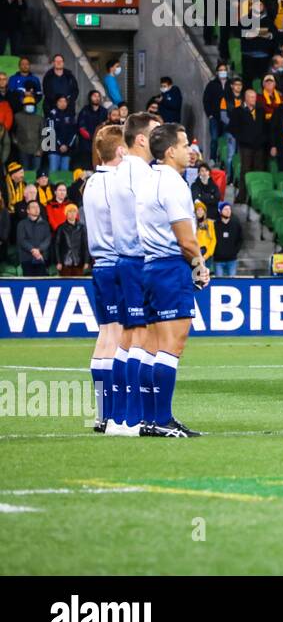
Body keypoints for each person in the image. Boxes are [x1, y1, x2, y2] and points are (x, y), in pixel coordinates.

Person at [138, 122, 208, 437]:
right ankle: (161, 419)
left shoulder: (149, 179)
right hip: (171, 268)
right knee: (171, 345)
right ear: (170, 151)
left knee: (152, 346)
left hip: (151, 266)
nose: (189, 150)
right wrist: (199, 267)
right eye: (183, 145)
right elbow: (186, 240)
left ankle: (150, 418)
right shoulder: (175, 185)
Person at [106, 112, 159, 437]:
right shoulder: (141, 174)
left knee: (127, 338)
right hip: (141, 259)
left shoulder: (119, 171)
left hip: (123, 258)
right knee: (144, 337)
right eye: (154, 133)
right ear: (141, 139)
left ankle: (118, 417)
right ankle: (133, 419)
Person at [83, 123, 126, 432]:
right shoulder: (116, 184)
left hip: (100, 264)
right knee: (118, 337)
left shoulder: (92, 182)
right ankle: (114, 413)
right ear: (121, 150)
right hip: (116, 264)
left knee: (105, 335)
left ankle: (102, 413)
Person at [17, 200, 50, 276]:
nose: (36, 209)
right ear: (28, 211)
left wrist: (39, 250)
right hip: (27, 258)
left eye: (37, 207)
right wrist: (33, 250)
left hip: (41, 258)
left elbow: (47, 239)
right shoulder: (22, 224)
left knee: (42, 284)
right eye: (33, 207)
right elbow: (22, 240)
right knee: (29, 284)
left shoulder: (45, 224)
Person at [212, 202, 242, 277]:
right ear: (220, 211)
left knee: (233, 281)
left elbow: (240, 239)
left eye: (229, 209)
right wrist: (216, 252)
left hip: (232, 259)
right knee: (219, 284)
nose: (228, 211)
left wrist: (235, 251)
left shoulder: (236, 224)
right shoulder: (215, 225)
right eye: (225, 209)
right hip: (218, 260)